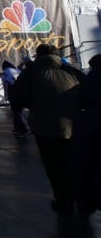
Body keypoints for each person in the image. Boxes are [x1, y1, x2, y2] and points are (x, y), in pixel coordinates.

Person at [11, 43, 82, 215]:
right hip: (75, 126)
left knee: (54, 165)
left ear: (38, 55)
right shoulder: (71, 71)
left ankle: (64, 201)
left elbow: (17, 98)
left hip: (45, 128)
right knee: (75, 164)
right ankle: (80, 199)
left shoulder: (32, 72)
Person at [73, 54, 101, 217]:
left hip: (90, 123)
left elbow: (81, 99)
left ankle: (86, 203)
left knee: (86, 165)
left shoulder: (91, 78)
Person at [2, 60, 30, 137]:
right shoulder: (16, 70)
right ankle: (17, 127)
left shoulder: (5, 72)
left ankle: (24, 129)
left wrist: (6, 95)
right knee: (17, 111)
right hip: (22, 91)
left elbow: (5, 85)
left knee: (16, 111)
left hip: (14, 92)